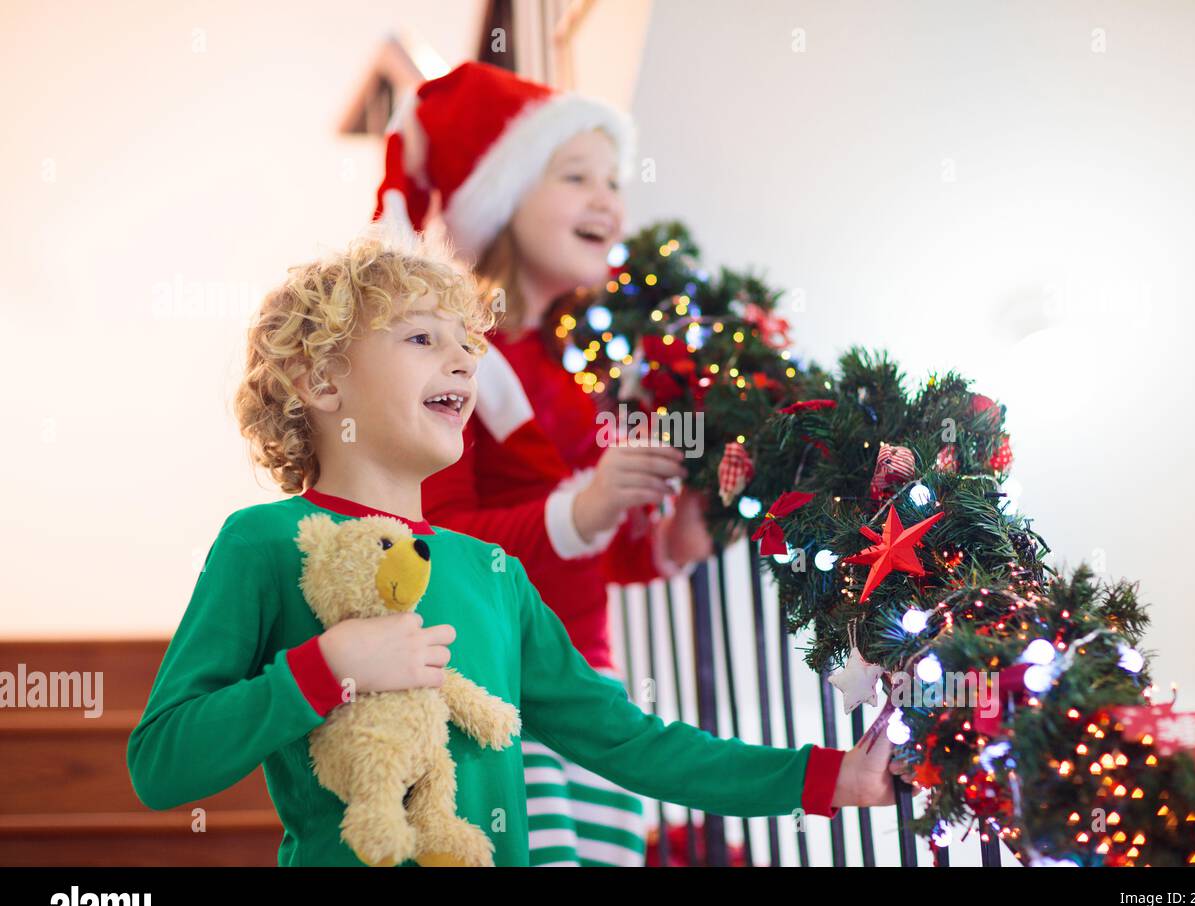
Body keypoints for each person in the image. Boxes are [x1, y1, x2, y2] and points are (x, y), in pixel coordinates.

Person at [125, 228, 913, 867]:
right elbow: (162, 764)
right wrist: (325, 669)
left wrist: (824, 776)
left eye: (467, 343)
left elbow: (629, 740)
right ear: (324, 383)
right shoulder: (262, 543)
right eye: (423, 338)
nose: (465, 359)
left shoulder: (493, 572)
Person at [373, 60, 720, 866]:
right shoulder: (449, 361)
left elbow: (584, 548)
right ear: (501, 195)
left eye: (613, 179)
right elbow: (438, 540)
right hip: (488, 686)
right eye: (575, 176)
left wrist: (668, 542)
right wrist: (581, 509)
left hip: (583, 686)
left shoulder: (576, 372)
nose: (608, 199)